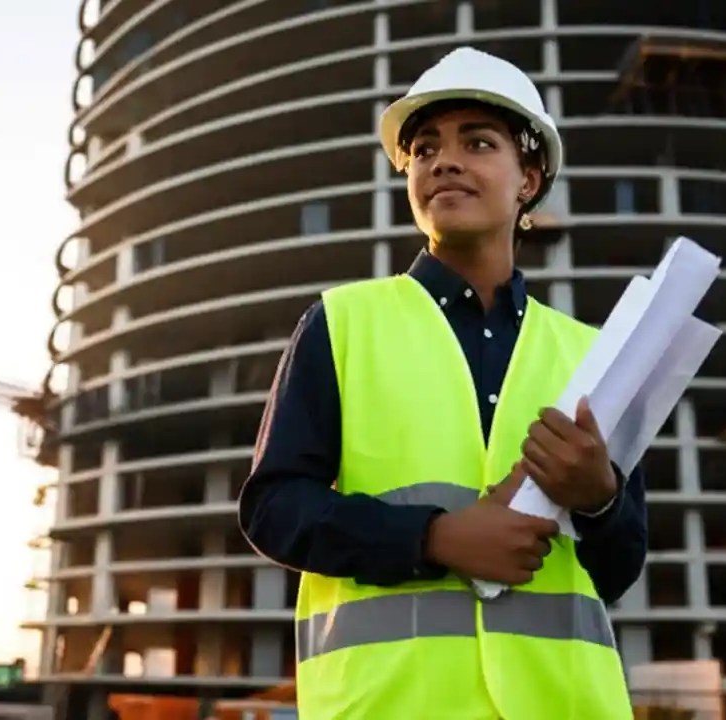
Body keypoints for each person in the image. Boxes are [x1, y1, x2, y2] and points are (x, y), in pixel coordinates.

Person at [237, 47, 646, 719]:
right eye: (423, 150)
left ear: (529, 179)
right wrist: (434, 538)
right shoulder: (341, 324)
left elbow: (619, 569)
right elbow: (274, 510)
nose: (442, 161)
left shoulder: (591, 356)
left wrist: (601, 499)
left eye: (478, 143)